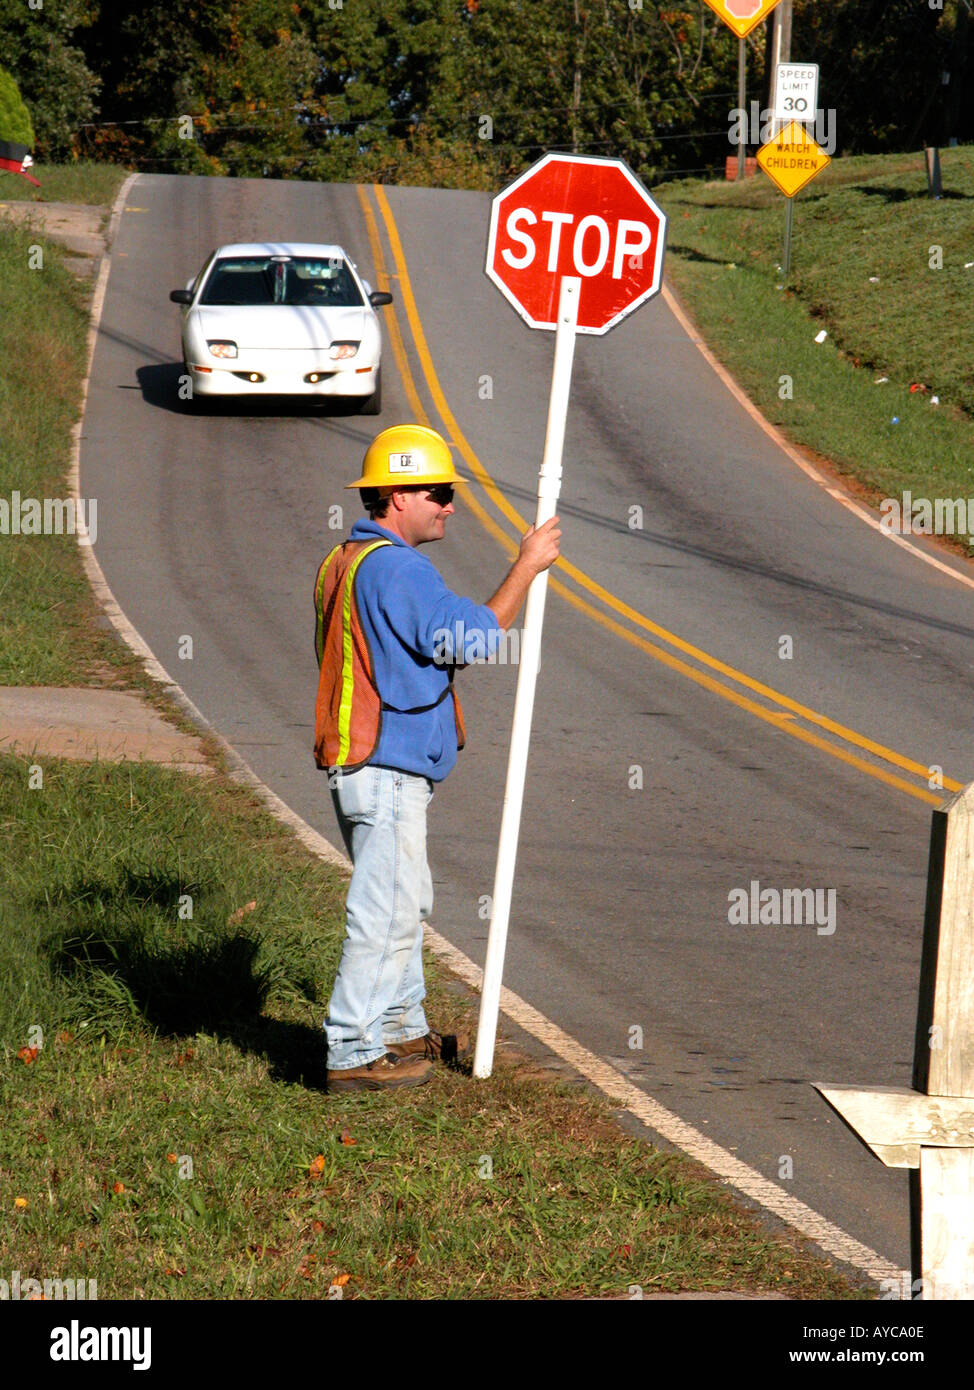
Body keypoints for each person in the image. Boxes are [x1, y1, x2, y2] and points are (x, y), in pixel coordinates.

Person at [314, 423, 561, 1093]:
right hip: (384, 767)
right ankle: (352, 1050)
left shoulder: (348, 560)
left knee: (403, 899)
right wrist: (526, 567)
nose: (450, 505)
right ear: (397, 496)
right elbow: (471, 637)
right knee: (384, 908)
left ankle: (397, 1029)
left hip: (367, 765)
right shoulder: (397, 568)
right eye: (440, 492)